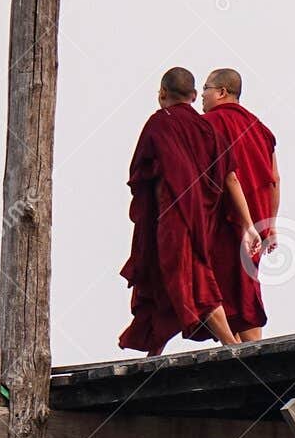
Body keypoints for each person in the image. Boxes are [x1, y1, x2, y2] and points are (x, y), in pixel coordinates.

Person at [118, 67, 241, 356]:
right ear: (194, 95)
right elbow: (224, 173)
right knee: (166, 281)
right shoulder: (208, 129)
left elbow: (138, 173)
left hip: (171, 218)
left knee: (194, 282)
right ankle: (154, 354)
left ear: (162, 94)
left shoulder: (159, 124)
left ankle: (233, 348)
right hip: (200, 217)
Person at [201, 68, 280, 342]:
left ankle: (239, 356)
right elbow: (274, 180)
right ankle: (247, 356)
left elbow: (224, 176)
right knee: (245, 293)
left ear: (222, 92)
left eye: (206, 89)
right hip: (256, 226)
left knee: (220, 291)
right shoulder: (261, 129)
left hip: (225, 222)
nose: (202, 95)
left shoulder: (209, 124)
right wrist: (271, 226)